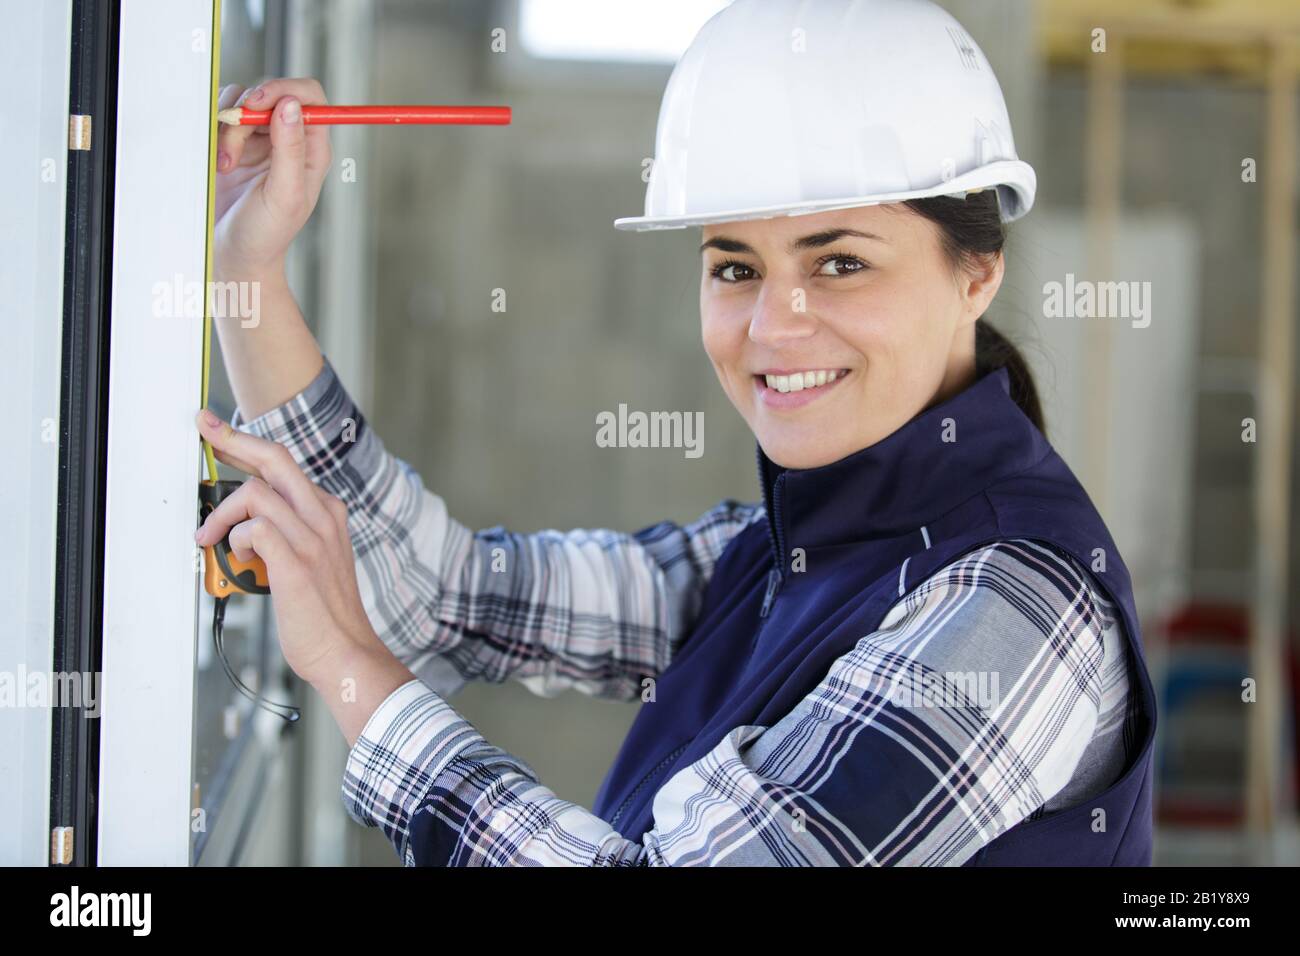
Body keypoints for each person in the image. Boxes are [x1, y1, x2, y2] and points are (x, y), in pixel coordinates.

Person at [195, 0, 1155, 866]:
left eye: (842, 264)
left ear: (976, 273)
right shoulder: (784, 553)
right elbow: (448, 594)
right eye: (735, 267)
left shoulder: (1019, 617)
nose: (774, 325)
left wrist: (356, 679)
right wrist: (250, 269)